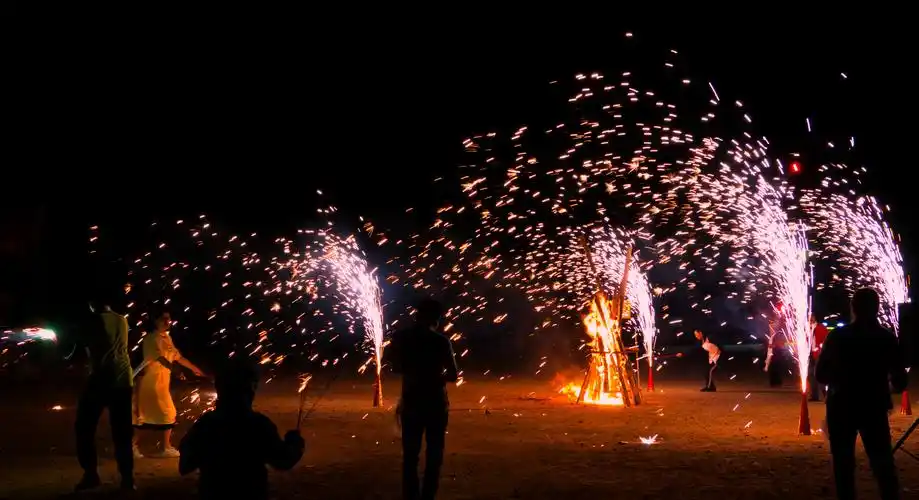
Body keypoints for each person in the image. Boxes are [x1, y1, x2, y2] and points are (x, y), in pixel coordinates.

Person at [816, 288, 907, 500]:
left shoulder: (837, 337)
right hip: (873, 408)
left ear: (853, 308)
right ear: (876, 308)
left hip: (841, 408)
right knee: (883, 465)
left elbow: (821, 375)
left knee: (843, 465)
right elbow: (900, 381)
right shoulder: (885, 338)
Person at [178, 358, 305, 500]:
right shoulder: (259, 424)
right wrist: (294, 443)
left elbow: (185, 465)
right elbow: (283, 461)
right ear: (250, 390)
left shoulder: (206, 423)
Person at [386, 298, 459, 500]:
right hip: (435, 403)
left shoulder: (401, 338)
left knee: (410, 456)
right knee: (434, 454)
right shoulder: (441, 341)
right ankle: (428, 496)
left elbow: (395, 368)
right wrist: (435, 377)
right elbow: (453, 375)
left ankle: (411, 497)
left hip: (411, 402)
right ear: (436, 317)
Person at [74, 290, 135, 491]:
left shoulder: (93, 321)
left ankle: (91, 474)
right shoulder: (122, 319)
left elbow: (87, 352)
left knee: (84, 427)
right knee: (122, 432)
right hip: (124, 379)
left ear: (94, 302)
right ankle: (127, 479)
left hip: (102, 379)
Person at [133, 309, 205, 458]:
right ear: (155, 321)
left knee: (158, 415)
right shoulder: (151, 339)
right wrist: (177, 371)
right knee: (151, 416)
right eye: (163, 319)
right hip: (150, 383)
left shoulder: (167, 338)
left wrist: (194, 368)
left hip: (161, 383)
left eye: (169, 319)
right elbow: (160, 358)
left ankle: (163, 447)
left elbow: (177, 356)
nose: (167, 322)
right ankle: (137, 446)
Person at [808, 315, 830, 401]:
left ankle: (826, 394)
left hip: (818, 354)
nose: (810, 319)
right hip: (810, 355)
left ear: (814, 318)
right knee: (810, 375)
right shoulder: (807, 329)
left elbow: (825, 340)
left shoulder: (821, 328)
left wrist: (821, 349)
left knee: (819, 374)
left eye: (811, 317)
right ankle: (814, 395)